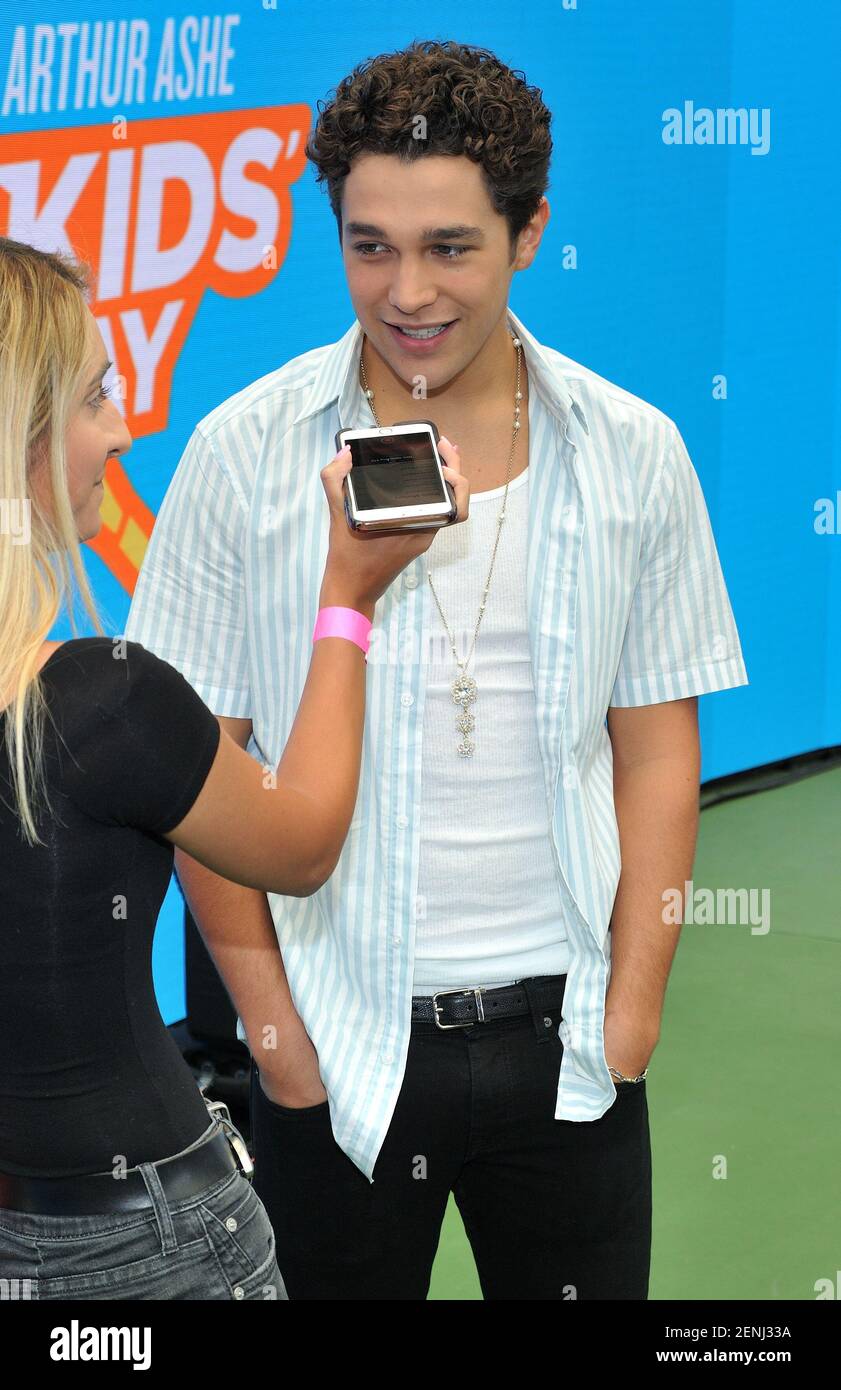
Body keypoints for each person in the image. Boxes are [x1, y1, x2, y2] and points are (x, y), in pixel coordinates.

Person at [124, 39, 749, 1300]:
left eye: (450, 247)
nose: (405, 291)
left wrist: (630, 1012)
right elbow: (196, 770)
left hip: (568, 1052)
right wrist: (274, 1036)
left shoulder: (635, 453)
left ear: (530, 235)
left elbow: (658, 750)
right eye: (369, 245)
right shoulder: (240, 453)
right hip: (331, 1060)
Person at [0, 234, 468, 1300]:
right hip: (143, 1248)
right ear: (17, 435)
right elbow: (300, 840)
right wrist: (347, 598)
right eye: (92, 398)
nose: (121, 431)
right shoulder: (104, 702)